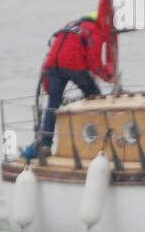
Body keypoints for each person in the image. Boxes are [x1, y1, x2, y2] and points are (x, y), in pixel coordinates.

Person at [22, 13, 114, 160]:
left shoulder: (69, 25)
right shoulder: (94, 29)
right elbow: (94, 61)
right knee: (95, 97)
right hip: (74, 64)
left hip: (52, 65)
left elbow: (51, 56)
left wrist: (49, 88)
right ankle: (98, 138)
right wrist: (109, 77)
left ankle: (45, 144)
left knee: (53, 104)